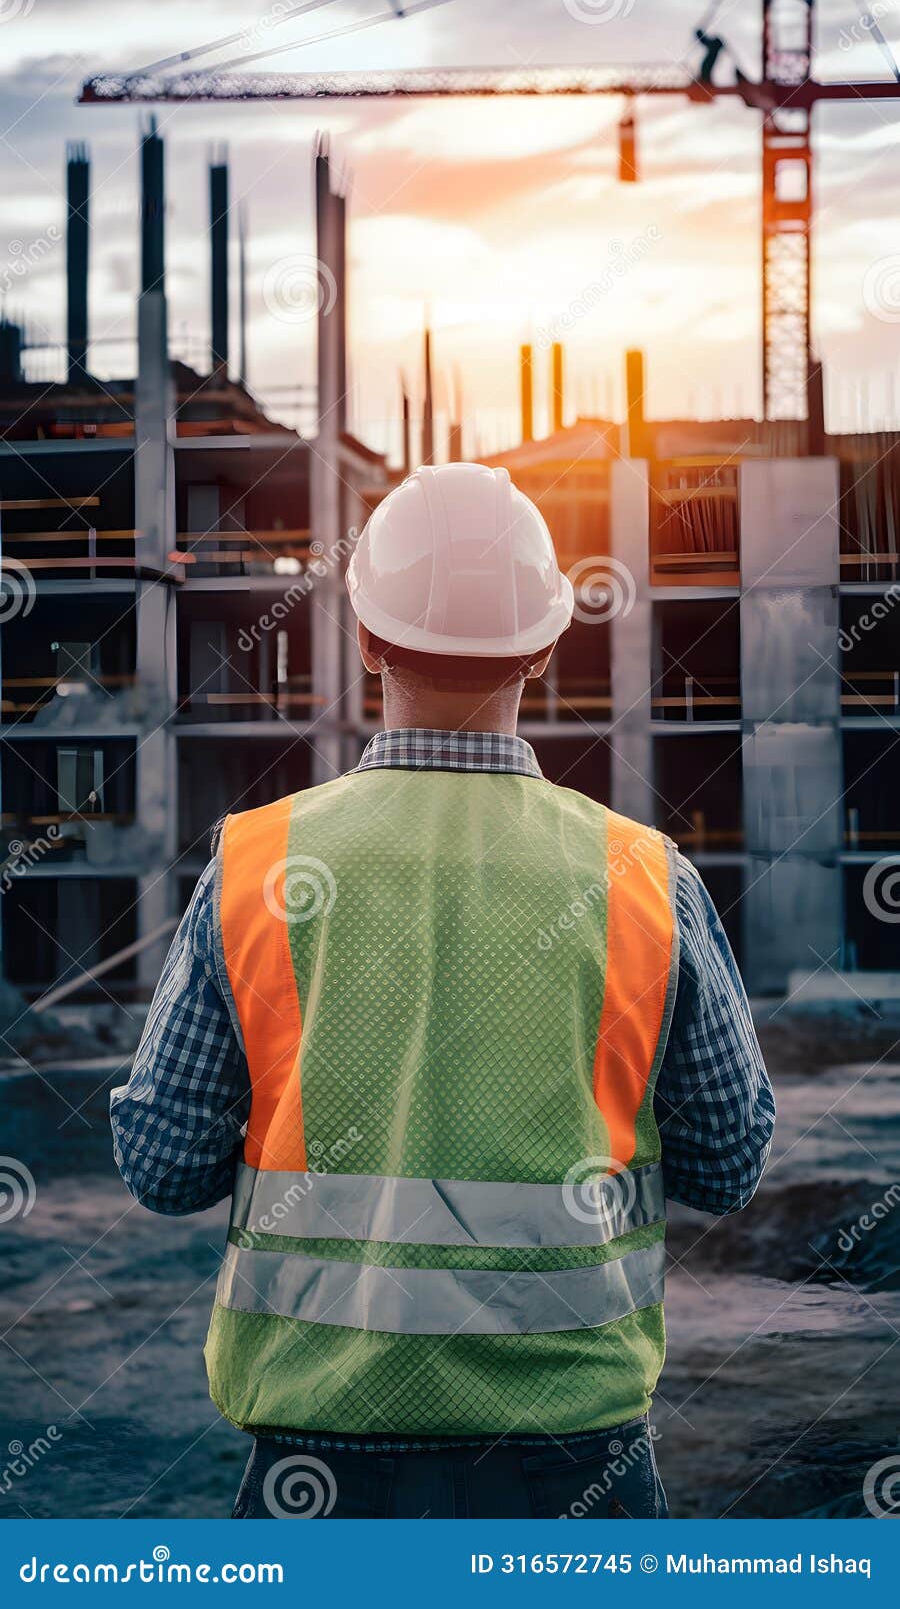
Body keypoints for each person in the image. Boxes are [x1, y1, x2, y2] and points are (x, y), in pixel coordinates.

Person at [111, 462, 774, 1520]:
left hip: (315, 1470)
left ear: (366, 638)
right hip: (574, 1466)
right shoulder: (646, 876)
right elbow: (730, 1160)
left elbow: (163, 1163)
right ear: (548, 645)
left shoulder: (260, 864)